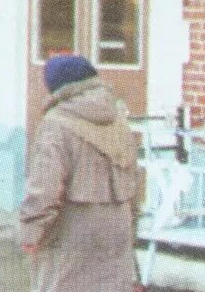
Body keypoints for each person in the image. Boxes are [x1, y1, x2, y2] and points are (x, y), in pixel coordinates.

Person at [17, 54, 142, 292]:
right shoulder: (119, 120)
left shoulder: (56, 124)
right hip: (117, 226)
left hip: (72, 232)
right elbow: (134, 182)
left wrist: (30, 232)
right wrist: (132, 226)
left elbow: (44, 189)